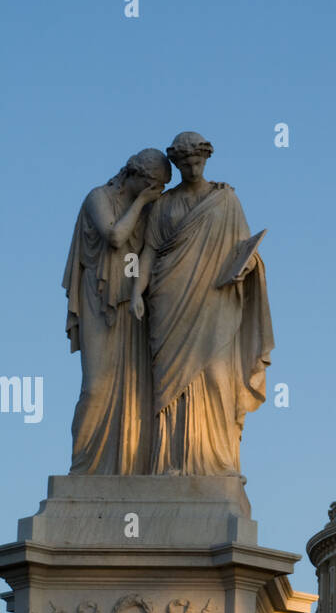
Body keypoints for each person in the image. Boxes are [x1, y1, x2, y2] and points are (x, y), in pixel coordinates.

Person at [130, 131, 273, 475]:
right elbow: (148, 252)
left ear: (206, 160)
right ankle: (168, 462)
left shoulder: (225, 201)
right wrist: (136, 291)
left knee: (214, 376)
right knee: (168, 383)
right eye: (186, 164)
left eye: (197, 162)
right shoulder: (162, 205)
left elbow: (246, 249)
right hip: (169, 297)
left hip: (215, 299)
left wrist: (248, 266)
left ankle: (212, 462)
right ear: (177, 165)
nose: (192, 169)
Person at [63, 148, 171, 473]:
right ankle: (82, 468)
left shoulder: (151, 210)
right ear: (134, 174)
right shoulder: (99, 197)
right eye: (154, 184)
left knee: (134, 389)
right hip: (98, 298)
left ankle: (128, 468)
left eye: (162, 187)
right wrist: (141, 202)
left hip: (133, 303)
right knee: (96, 386)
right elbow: (114, 236)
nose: (158, 193)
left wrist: (216, 189)